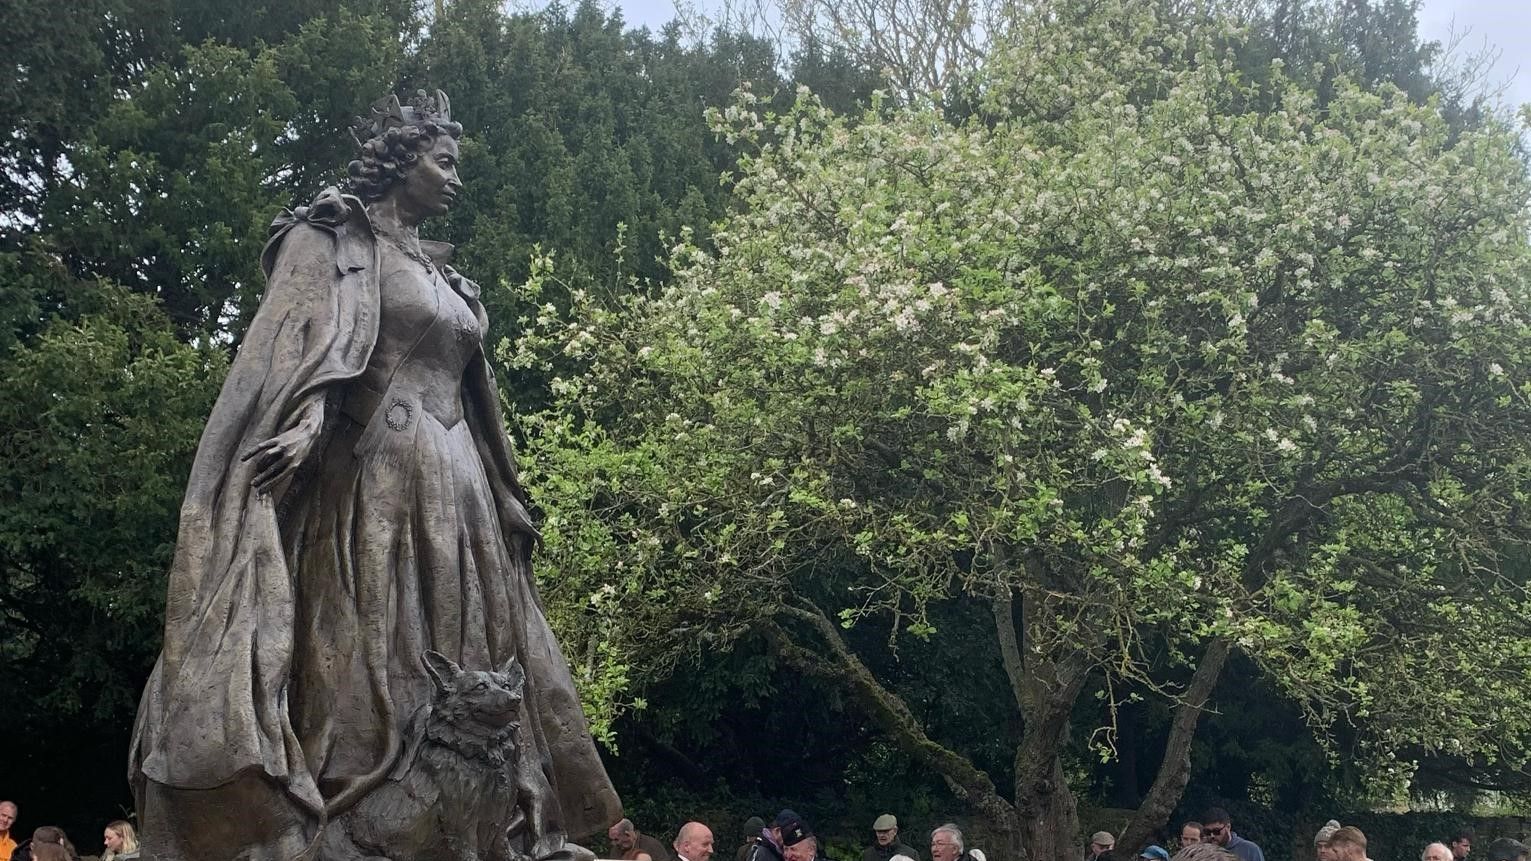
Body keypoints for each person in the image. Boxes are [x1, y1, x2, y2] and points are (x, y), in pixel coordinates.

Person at [126, 89, 621, 860]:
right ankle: (357, 805)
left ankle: (498, 819)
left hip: (462, 479)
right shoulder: (334, 241)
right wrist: (302, 422)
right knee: (370, 634)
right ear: (401, 161)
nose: (455, 179)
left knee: (474, 639)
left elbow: (472, 392)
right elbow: (291, 352)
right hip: (377, 469)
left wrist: (503, 489)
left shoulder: (445, 274)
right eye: (443, 161)